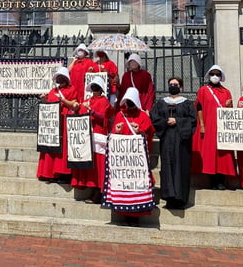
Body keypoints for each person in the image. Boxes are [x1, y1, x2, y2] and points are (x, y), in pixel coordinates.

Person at [106, 87, 156, 224]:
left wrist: (140, 130)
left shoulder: (143, 116)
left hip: (137, 161)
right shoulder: (120, 116)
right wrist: (116, 131)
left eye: (131, 102)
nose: (129, 105)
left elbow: (150, 132)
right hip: (124, 160)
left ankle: (136, 216)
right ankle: (125, 213)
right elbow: (113, 136)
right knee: (125, 187)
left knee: (137, 187)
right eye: (127, 102)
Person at [151, 77, 197, 209]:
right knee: (167, 166)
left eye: (175, 84)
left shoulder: (187, 103)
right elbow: (155, 117)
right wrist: (165, 121)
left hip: (182, 140)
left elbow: (192, 120)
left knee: (180, 167)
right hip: (167, 139)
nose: (173, 86)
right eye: (170, 84)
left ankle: (181, 199)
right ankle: (169, 198)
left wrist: (177, 121)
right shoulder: (161, 103)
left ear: (181, 87)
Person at [191, 65, 236, 190]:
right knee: (210, 153)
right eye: (212, 74)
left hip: (222, 128)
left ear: (221, 77)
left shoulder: (226, 92)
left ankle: (221, 181)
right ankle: (212, 181)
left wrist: (228, 105)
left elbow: (231, 113)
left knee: (222, 154)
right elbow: (199, 107)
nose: (215, 76)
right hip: (209, 125)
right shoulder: (203, 90)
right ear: (209, 76)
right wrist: (202, 125)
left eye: (217, 74)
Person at [71, 76, 114, 204]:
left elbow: (105, 119)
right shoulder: (87, 101)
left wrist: (92, 112)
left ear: (101, 89)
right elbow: (79, 114)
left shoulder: (104, 101)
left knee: (99, 166)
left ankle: (100, 192)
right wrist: (76, 108)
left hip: (99, 136)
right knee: (92, 167)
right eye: (93, 88)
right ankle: (92, 188)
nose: (95, 90)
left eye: (97, 88)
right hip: (87, 137)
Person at [36, 67, 78, 183]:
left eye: (61, 77)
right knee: (51, 148)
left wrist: (63, 100)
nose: (59, 80)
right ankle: (49, 173)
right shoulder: (52, 91)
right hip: (53, 122)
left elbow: (74, 104)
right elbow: (49, 104)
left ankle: (63, 174)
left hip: (64, 120)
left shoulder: (72, 89)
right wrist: (44, 99)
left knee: (63, 148)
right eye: (58, 78)